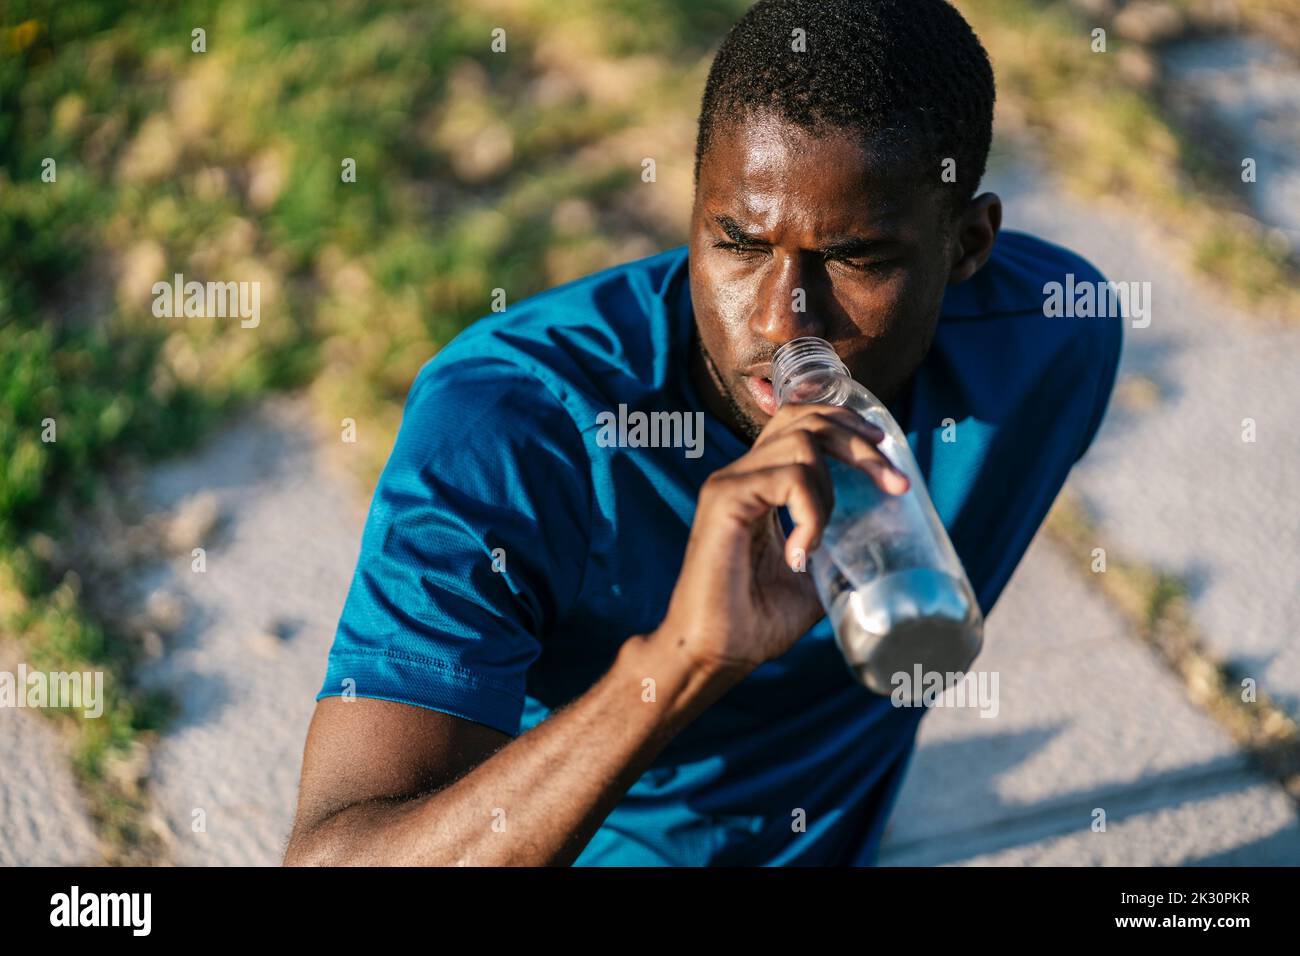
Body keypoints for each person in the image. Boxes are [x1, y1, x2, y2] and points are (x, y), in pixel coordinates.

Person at [284, 0, 1122, 866]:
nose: (782, 320)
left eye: (856, 258)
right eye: (737, 241)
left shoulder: (1049, 350)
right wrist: (683, 662)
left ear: (969, 243)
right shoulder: (509, 430)